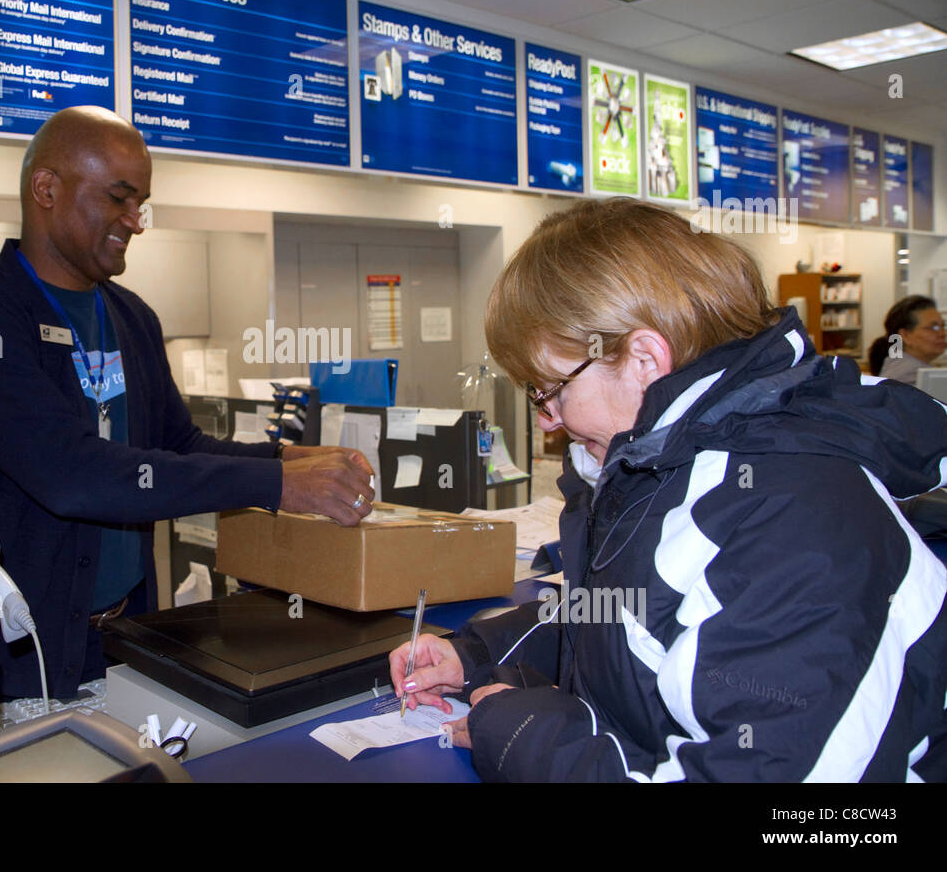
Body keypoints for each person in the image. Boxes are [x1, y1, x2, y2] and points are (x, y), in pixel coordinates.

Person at [391, 198, 947, 782]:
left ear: (646, 361)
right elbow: (635, 620)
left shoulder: (796, 513)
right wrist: (481, 654)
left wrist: (530, 743)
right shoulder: (661, 469)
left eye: (550, 389)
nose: (548, 419)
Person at [0, 106, 373, 707]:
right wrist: (276, 484)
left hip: (126, 637)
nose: (136, 221)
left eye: (142, 203)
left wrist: (288, 456)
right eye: (118, 198)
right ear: (46, 189)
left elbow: (176, 447)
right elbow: (71, 475)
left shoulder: (131, 317)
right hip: (13, 659)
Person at [868, 295, 945, 383]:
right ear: (905, 335)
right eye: (933, 327)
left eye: (943, 326)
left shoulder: (898, 366)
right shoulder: (909, 375)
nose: (942, 333)